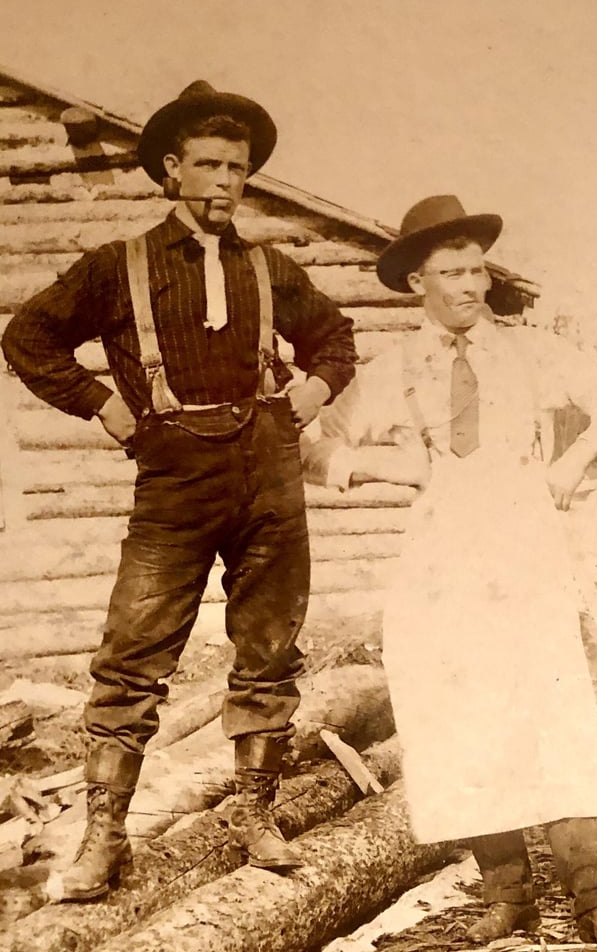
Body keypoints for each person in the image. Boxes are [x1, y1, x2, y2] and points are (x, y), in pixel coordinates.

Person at [1, 81, 357, 899]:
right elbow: (28, 338)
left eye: (237, 168)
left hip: (269, 473)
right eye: (208, 165)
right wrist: (103, 406)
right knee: (133, 656)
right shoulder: (117, 266)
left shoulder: (268, 266)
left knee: (269, 652)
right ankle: (104, 839)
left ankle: (255, 815)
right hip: (174, 479)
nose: (225, 181)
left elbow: (335, 336)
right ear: (171, 170)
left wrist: (311, 393)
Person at [302, 194, 597, 952]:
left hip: (524, 548)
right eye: (451, 273)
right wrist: (385, 467)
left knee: (555, 711)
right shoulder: (392, 371)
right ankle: (508, 896)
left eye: (477, 270)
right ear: (416, 282)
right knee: (465, 716)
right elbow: (312, 445)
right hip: (441, 559)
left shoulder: (530, 353)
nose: (469, 286)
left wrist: (573, 464)